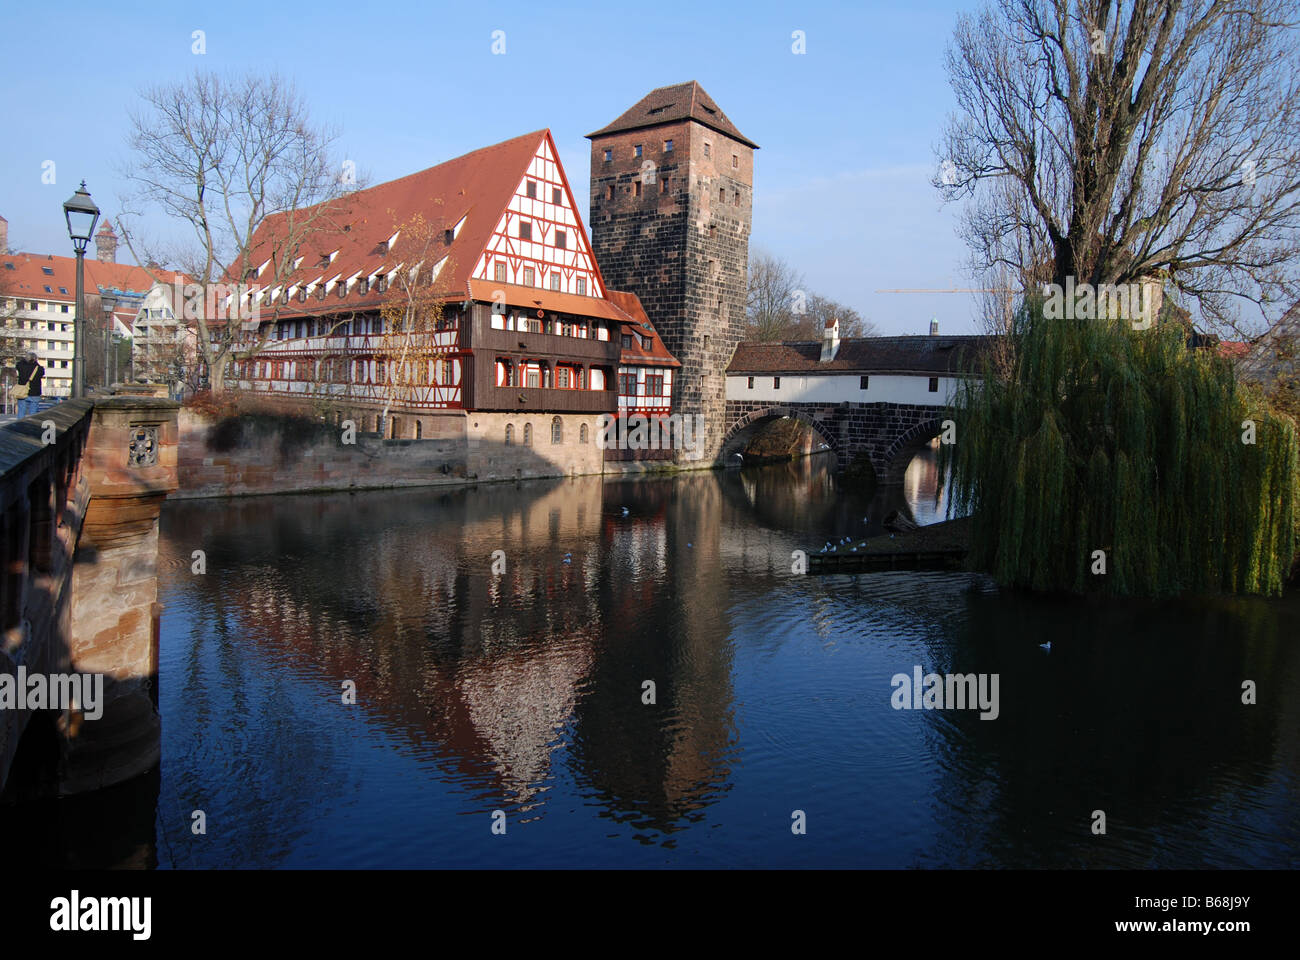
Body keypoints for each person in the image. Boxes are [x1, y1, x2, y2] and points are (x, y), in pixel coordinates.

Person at [14, 352, 45, 418]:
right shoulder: (39, 369)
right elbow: (42, 372)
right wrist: (35, 362)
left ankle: (20, 425)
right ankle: (31, 425)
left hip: (22, 391)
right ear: (35, 359)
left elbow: (18, 365)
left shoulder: (21, 366)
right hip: (35, 393)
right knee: (33, 413)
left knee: (21, 411)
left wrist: (24, 360)